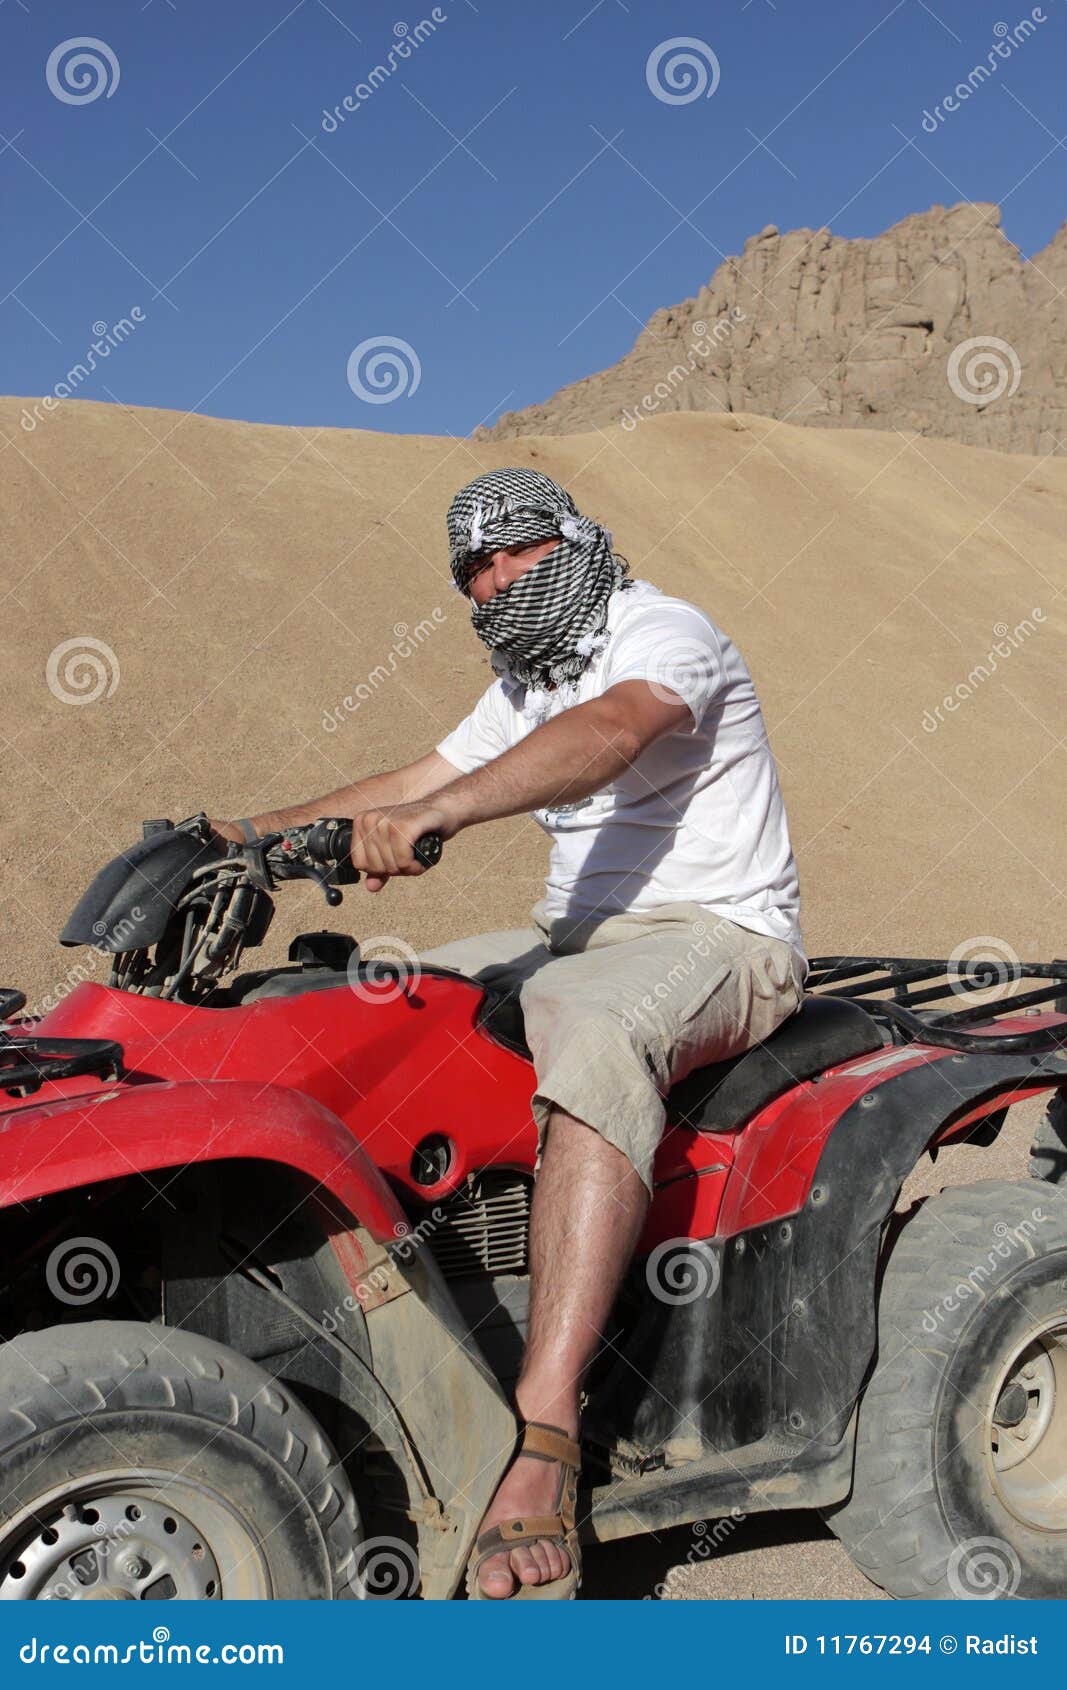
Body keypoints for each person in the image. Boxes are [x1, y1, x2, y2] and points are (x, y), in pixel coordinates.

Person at [212, 467, 806, 1601]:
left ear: (572, 539)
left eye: (515, 551)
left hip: (719, 934)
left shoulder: (659, 632)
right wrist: (239, 833)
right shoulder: (526, 681)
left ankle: (545, 1428)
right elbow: (415, 775)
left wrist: (437, 816)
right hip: (575, 932)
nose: (493, 582)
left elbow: (612, 730)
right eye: (472, 571)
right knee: (369, 1007)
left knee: (589, 1030)